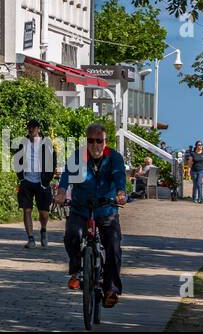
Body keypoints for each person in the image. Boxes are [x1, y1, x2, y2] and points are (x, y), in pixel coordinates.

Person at [57, 123, 127, 308]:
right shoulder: (78, 156)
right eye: (91, 141)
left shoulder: (114, 157)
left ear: (105, 141)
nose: (95, 145)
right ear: (86, 141)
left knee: (113, 245)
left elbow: (120, 176)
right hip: (81, 207)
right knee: (73, 235)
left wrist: (121, 192)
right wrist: (62, 192)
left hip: (106, 209)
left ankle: (111, 289)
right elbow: (66, 175)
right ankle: (75, 272)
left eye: (99, 141)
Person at [13, 119, 55, 248]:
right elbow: (17, 160)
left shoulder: (46, 143)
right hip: (27, 181)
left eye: (33, 127)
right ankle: (30, 238)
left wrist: (47, 179)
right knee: (27, 210)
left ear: (38, 129)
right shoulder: (22, 143)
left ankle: (43, 229)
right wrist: (21, 177)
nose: (31, 130)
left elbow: (52, 162)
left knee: (44, 213)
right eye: (29, 127)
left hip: (42, 182)